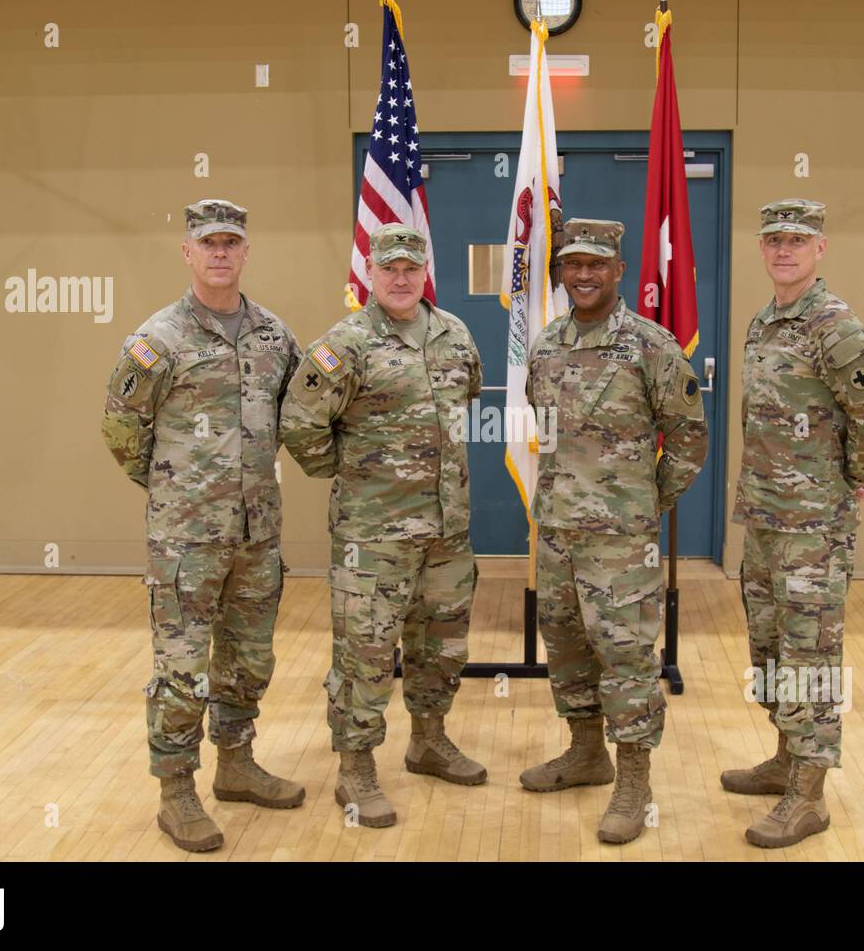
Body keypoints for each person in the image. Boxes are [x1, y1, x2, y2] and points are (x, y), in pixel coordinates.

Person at [101, 198, 305, 852]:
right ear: (187, 252)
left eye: (231, 243)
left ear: (246, 253)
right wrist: (172, 491)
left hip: (257, 534)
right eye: (208, 243)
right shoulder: (157, 338)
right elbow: (121, 430)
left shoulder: (276, 337)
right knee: (181, 668)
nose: (220, 253)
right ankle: (176, 790)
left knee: (248, 658)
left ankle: (237, 763)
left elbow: (298, 417)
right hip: (185, 539)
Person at [279, 223, 485, 828]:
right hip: (373, 537)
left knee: (441, 646)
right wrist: (354, 475)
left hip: (447, 533)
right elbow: (300, 423)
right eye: (389, 268)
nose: (400, 278)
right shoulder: (345, 344)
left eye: (411, 268)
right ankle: (356, 767)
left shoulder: (454, 335)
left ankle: (428, 740)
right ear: (370, 272)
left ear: (425, 273)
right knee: (365, 656)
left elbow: (463, 398)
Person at [520, 218, 708, 844]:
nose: (582, 274)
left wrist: (646, 502)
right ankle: (585, 754)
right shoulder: (545, 345)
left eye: (596, 264)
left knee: (626, 659)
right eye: (573, 263)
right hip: (556, 535)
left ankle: (633, 779)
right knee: (568, 649)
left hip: (621, 542)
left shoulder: (651, 345)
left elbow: (688, 436)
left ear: (619, 271)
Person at [723, 198, 864, 848]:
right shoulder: (764, 322)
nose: (784, 249)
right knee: (769, 650)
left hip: (814, 526)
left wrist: (856, 481)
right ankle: (786, 760)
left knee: (811, 657)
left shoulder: (834, 324)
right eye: (774, 240)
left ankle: (809, 797)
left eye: (798, 239)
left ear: (819, 248)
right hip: (765, 518)